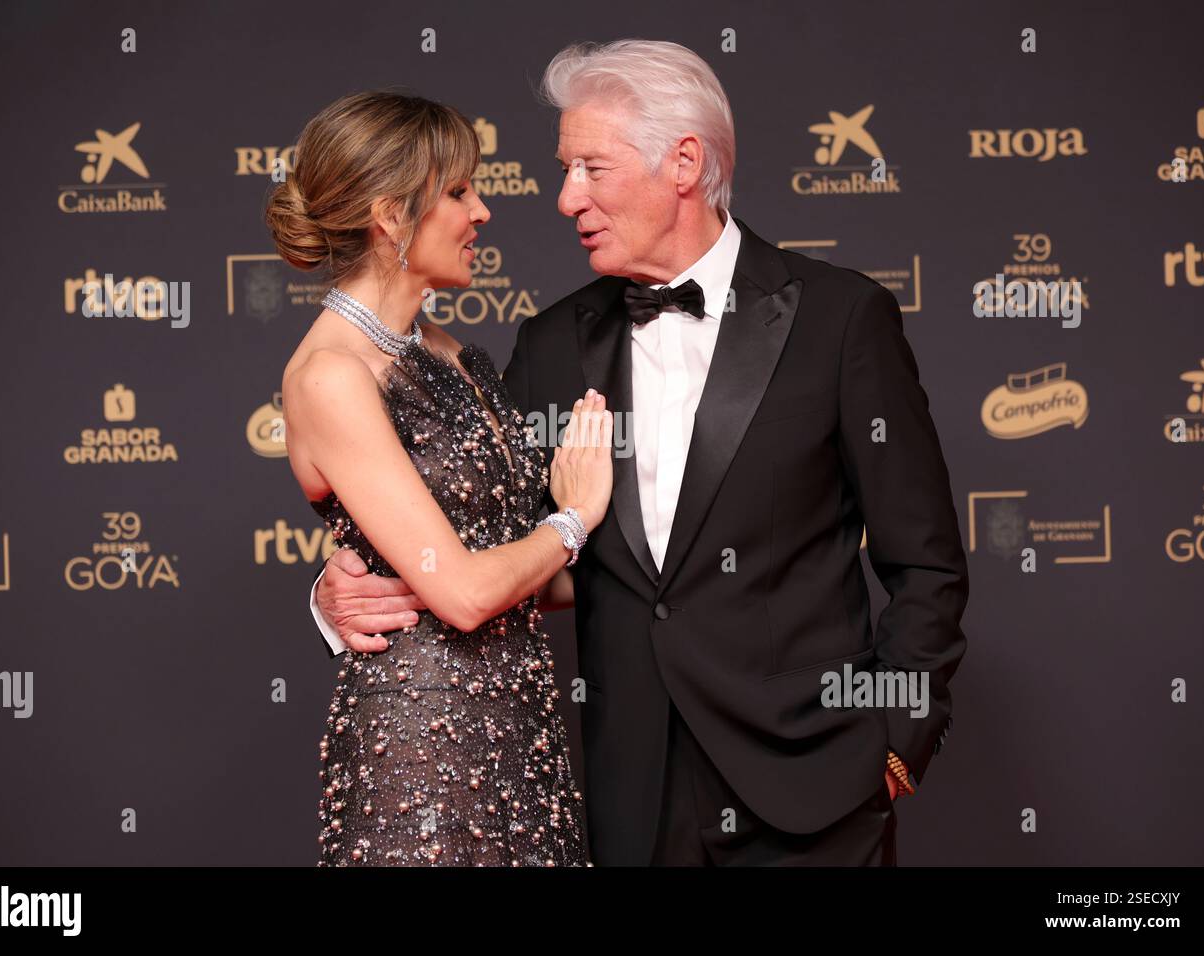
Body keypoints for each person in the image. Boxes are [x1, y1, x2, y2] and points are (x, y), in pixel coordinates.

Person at [314, 40, 970, 867]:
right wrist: (345, 587)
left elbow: (927, 563)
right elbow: (489, 544)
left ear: (684, 163)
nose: (563, 197)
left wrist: (897, 746)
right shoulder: (552, 343)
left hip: (814, 793)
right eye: (565, 170)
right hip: (631, 800)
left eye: (589, 167)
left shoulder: (840, 320)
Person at [270, 90, 613, 866]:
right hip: (423, 752)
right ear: (391, 216)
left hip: (526, 742)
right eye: (459, 192)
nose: (482, 212)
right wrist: (575, 518)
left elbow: (534, 578)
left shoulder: (456, 353)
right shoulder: (329, 375)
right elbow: (461, 594)